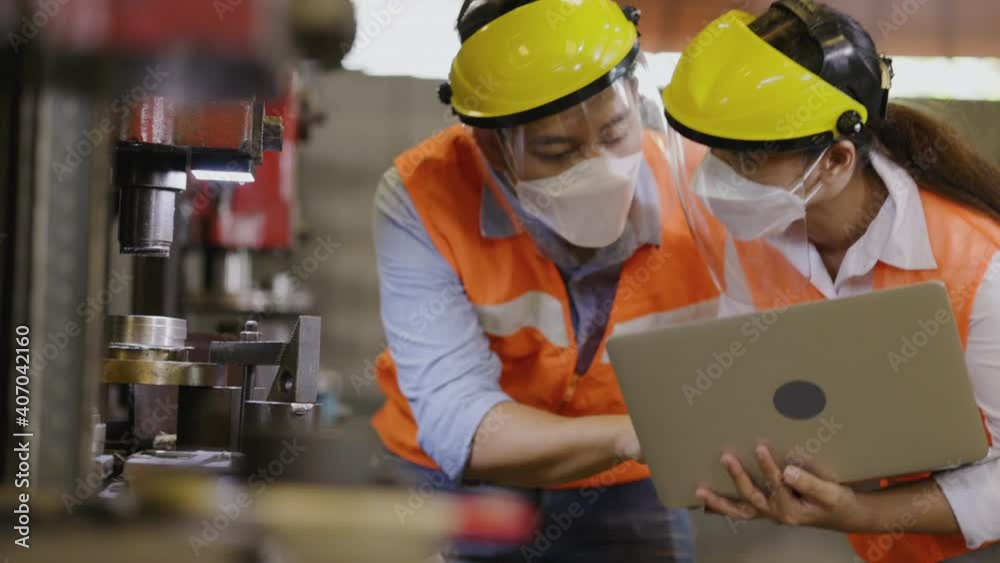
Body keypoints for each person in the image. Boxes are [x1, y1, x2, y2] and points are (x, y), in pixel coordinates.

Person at [369, 0, 718, 560]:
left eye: (615, 131)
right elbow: (460, 421)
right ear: (493, 148)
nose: (599, 164)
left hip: (621, 480)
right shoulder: (423, 195)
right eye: (558, 151)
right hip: (449, 479)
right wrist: (637, 432)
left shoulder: (707, 194)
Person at [659, 1, 1000, 561]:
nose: (718, 180)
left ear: (838, 161)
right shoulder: (758, 233)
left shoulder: (976, 263)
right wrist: (744, 470)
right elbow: (752, 399)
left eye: (745, 162)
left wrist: (861, 513)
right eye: (716, 154)